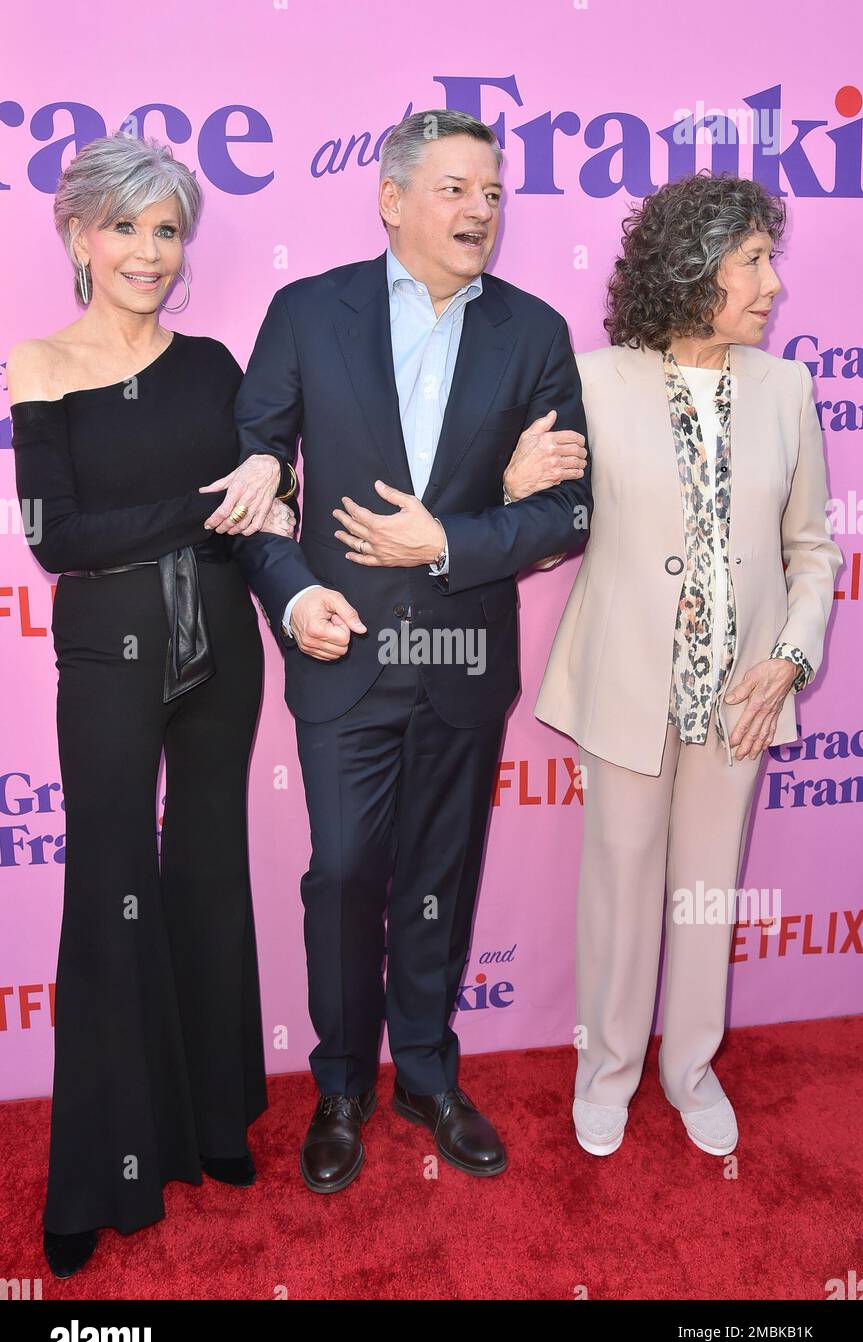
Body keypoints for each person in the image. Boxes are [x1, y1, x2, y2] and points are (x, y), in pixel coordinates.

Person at [229, 109, 591, 1192]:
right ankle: (340, 1081)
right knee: (343, 872)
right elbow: (255, 485)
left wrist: (452, 540)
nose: (477, 209)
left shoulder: (532, 331)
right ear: (390, 199)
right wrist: (292, 601)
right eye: (452, 188)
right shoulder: (305, 312)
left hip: (463, 659)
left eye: (489, 192)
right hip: (339, 657)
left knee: (439, 875)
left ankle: (426, 1073)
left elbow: (571, 510)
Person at [8, 133, 296, 1277]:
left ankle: (211, 1122)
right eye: (122, 225)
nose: (145, 251)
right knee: (111, 888)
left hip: (223, 642)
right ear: (79, 233)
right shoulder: (40, 361)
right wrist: (204, 504)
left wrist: (272, 481)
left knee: (211, 873)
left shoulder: (217, 361)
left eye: (165, 229)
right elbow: (56, 537)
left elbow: (267, 502)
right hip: (111, 648)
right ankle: (99, 1166)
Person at [532, 172, 843, 1158]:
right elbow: (541, 534)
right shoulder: (589, 381)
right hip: (624, 685)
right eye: (750, 261)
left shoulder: (786, 390)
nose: (770, 285)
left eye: (768, 259)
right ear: (688, 268)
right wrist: (514, 486)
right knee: (619, 885)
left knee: (707, 887)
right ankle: (608, 1070)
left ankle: (690, 1067)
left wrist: (789, 659)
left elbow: (811, 551)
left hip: (741, 696)